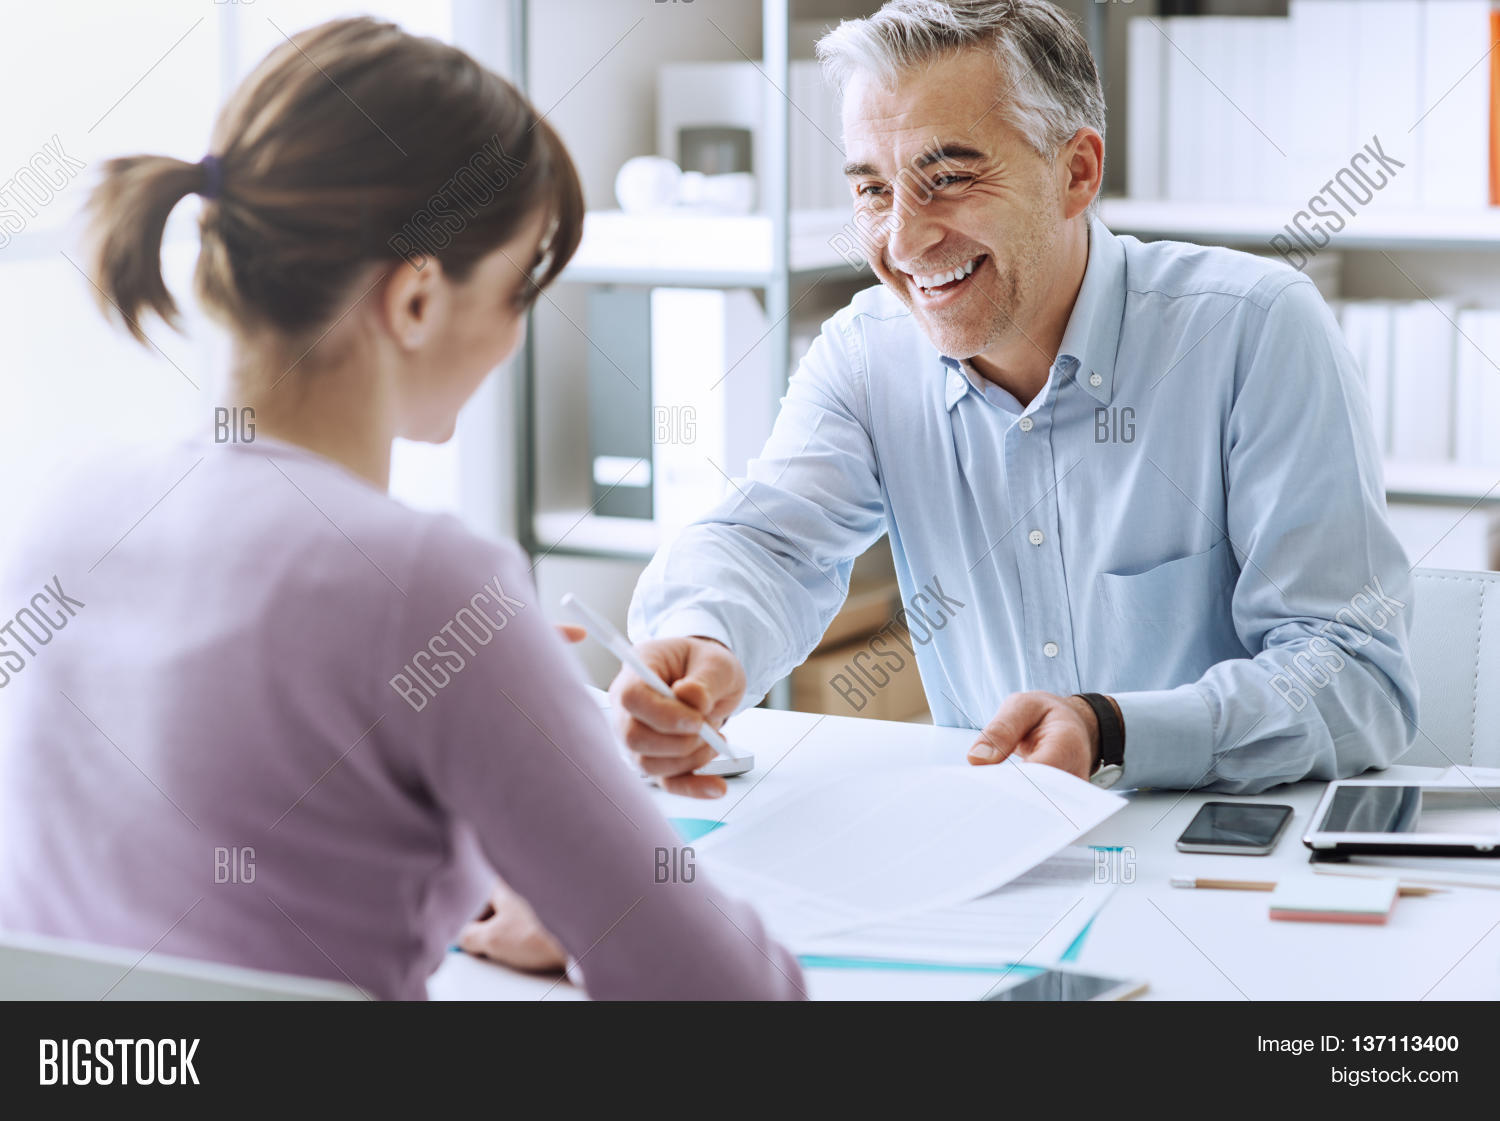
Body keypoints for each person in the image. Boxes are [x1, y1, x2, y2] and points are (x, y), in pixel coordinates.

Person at [0, 17, 802, 1001]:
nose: (514, 336)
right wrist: (554, 753)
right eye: (517, 288)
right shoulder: (424, 586)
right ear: (416, 300)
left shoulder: (60, 513)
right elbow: (729, 996)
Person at [614, 0, 1417, 799]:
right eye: (872, 190)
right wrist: (703, 635)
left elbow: (1354, 675)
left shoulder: (1254, 330)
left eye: (950, 179)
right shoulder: (868, 353)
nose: (901, 241)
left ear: (1077, 173)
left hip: (1215, 856)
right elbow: (768, 544)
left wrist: (1112, 729)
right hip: (993, 856)